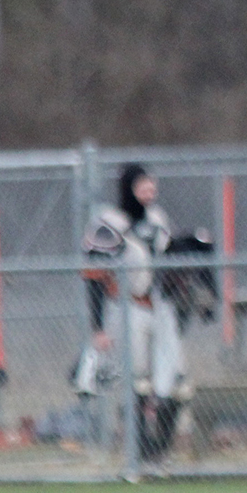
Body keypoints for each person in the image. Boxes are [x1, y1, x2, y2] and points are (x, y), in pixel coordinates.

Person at [83, 164, 190, 462]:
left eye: (151, 186)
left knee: (175, 380)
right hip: (126, 306)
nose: (149, 192)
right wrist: (98, 326)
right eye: (143, 185)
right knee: (136, 380)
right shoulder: (109, 222)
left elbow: (171, 260)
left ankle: (161, 449)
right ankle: (140, 450)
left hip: (160, 306)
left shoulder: (157, 219)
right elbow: (94, 275)